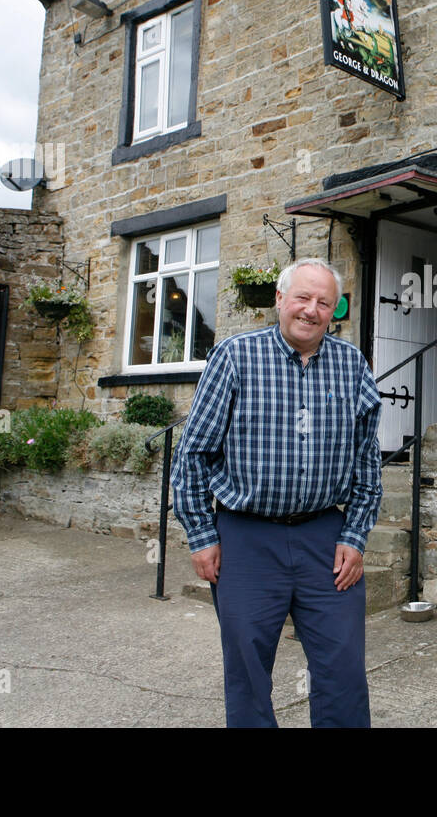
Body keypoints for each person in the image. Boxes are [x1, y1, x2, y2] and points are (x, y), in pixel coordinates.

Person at [171, 257, 382, 728]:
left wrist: (355, 535)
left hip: (326, 538)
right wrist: (202, 535)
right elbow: (193, 454)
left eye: (323, 302)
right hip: (246, 539)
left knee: (343, 669)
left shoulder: (351, 364)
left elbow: (367, 459)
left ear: (335, 309)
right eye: (302, 298)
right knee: (247, 670)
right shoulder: (234, 356)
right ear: (280, 300)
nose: (311, 310)